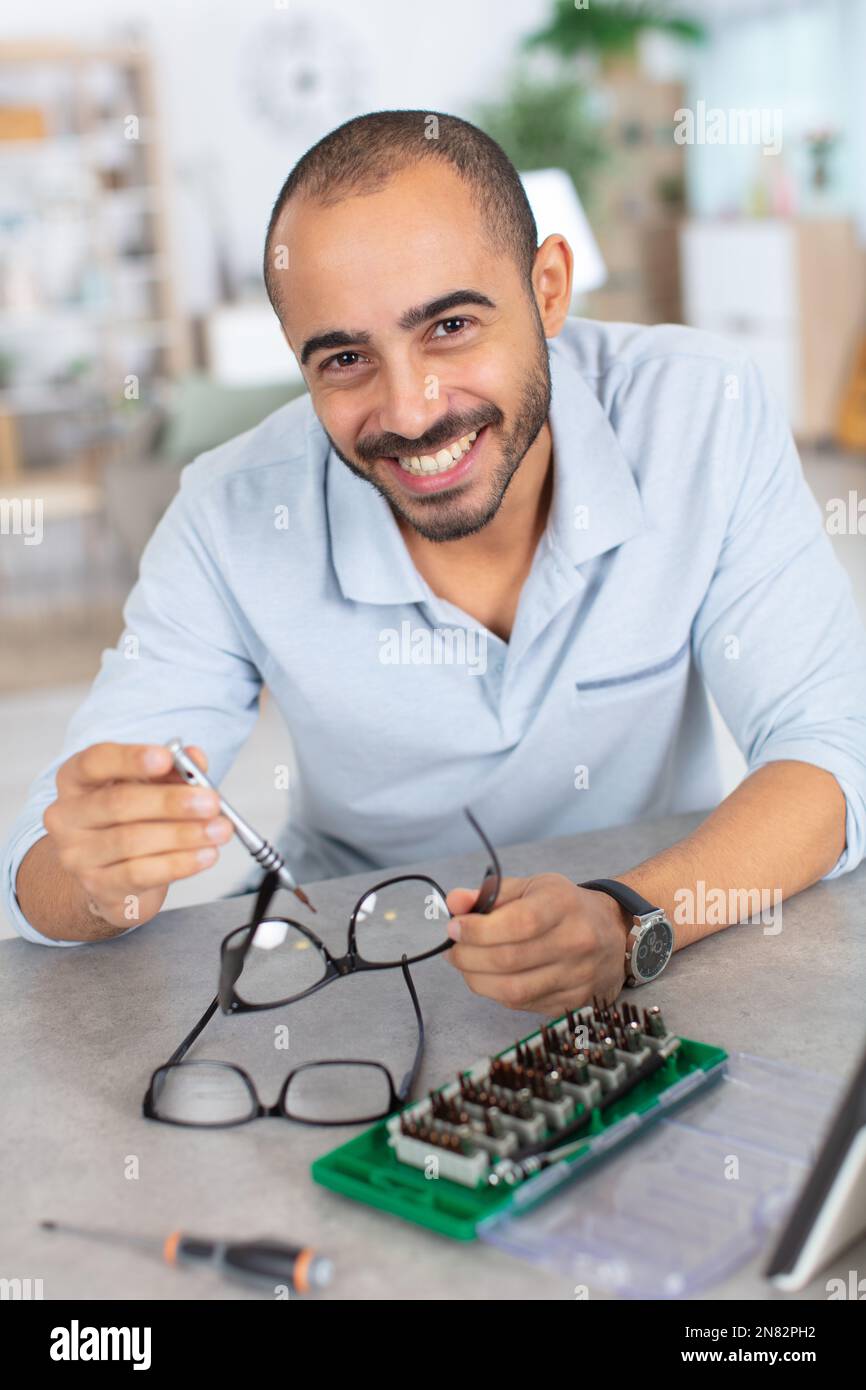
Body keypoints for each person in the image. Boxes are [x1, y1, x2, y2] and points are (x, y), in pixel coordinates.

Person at [4, 111, 865, 1017]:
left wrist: (628, 918)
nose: (411, 412)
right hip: (353, 969)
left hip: (670, 933)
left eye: (450, 326)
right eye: (345, 358)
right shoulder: (228, 512)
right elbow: (38, 878)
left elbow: (833, 753)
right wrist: (97, 875)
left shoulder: (702, 411)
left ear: (550, 288)